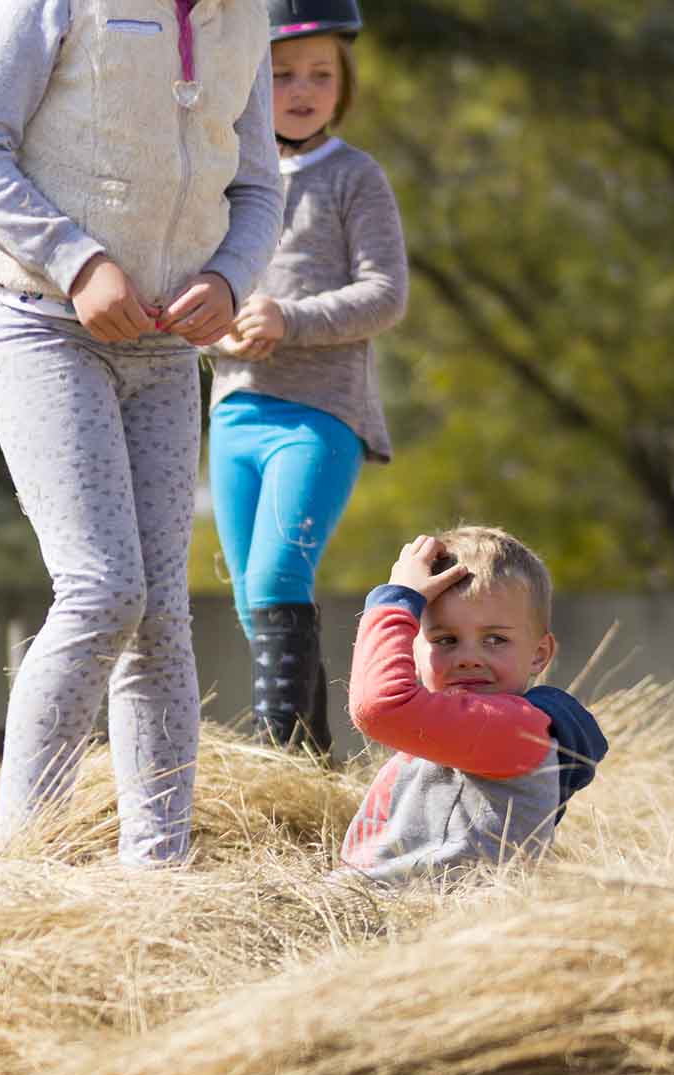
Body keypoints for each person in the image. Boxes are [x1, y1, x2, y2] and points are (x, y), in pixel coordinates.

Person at [0, 0, 283, 862]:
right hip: (40, 325)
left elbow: (261, 184)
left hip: (166, 352)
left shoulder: (251, 17)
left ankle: (155, 878)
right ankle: (24, 860)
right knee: (102, 590)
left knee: (162, 616)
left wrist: (233, 278)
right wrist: (76, 260)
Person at [206, 0, 408, 755]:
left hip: (320, 413)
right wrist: (215, 327)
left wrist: (288, 319)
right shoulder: (223, 174)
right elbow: (195, 288)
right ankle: (311, 771)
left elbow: (386, 293)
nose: (302, 88)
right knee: (251, 597)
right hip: (235, 409)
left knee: (277, 576)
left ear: (342, 82)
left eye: (320, 73)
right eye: (282, 72)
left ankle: (281, 766)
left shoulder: (356, 175)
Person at [340, 527, 608, 883]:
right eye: (446, 639)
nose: (468, 658)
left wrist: (395, 600)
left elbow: (378, 707)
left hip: (430, 924)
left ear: (539, 653)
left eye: (495, 639)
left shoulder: (517, 730)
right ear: (414, 653)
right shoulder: (440, 735)